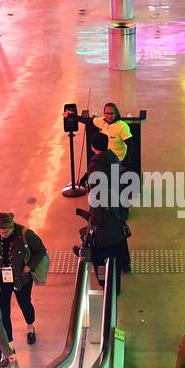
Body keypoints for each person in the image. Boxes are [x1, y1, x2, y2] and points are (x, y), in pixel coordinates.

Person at [0, 212, 47, 346]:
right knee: (3, 312)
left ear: (12, 226)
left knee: (25, 305)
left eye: (5, 232)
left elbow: (40, 250)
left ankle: (30, 326)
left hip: (21, 279)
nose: (2, 235)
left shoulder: (25, 234)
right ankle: (9, 344)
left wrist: (29, 266)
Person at [80, 130, 130, 277]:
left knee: (104, 239)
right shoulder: (112, 158)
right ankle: (124, 263)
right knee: (118, 235)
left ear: (92, 147)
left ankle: (104, 268)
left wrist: (95, 215)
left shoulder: (95, 166)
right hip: (117, 203)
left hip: (104, 209)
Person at [65, 102, 132, 163]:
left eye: (112, 113)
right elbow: (86, 120)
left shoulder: (122, 126)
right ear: (104, 113)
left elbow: (131, 145)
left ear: (116, 113)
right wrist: (70, 115)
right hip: (104, 159)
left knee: (113, 176)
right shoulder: (102, 121)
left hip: (116, 161)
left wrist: (126, 163)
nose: (109, 116)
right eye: (107, 113)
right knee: (94, 172)